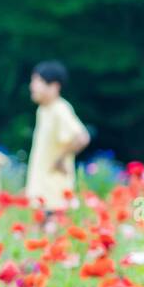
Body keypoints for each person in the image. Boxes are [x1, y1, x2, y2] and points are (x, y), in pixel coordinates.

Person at [24, 60, 89, 211]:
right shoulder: (43, 110)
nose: (32, 86)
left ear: (54, 86)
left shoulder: (60, 109)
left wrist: (60, 159)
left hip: (54, 194)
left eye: (38, 81)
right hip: (41, 190)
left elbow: (82, 137)